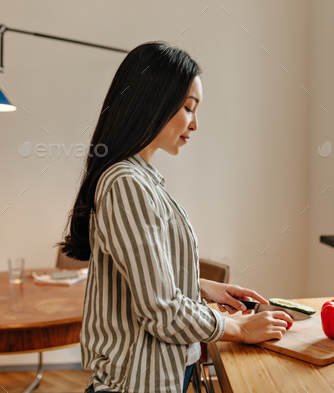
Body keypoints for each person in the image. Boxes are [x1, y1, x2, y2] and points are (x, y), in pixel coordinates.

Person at [59, 41, 292, 393]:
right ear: (153, 103)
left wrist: (203, 286)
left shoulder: (140, 179)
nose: (195, 124)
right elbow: (163, 311)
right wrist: (241, 329)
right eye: (187, 107)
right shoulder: (126, 184)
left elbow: (143, 277)